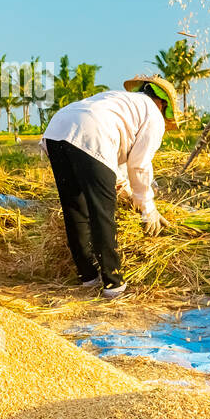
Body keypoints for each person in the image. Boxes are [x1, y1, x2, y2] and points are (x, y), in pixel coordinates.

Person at [41, 76, 176, 299]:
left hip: (57, 129)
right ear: (163, 104)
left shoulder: (122, 101)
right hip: (91, 134)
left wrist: (128, 192)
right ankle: (114, 285)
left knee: (75, 207)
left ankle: (87, 277)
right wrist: (147, 207)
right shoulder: (153, 115)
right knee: (102, 212)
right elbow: (139, 164)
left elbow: (116, 165)